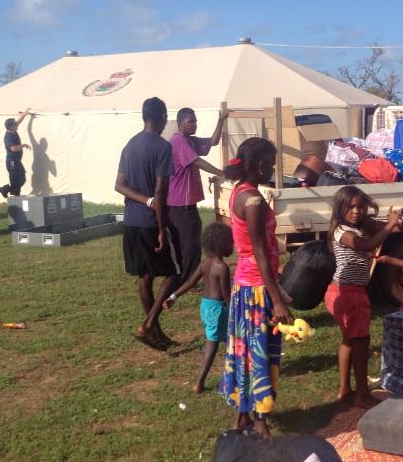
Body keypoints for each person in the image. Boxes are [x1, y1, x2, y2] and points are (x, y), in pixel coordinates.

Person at [220, 137, 293, 438]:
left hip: (244, 287)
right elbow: (259, 252)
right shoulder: (254, 201)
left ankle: (242, 416)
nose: (272, 169)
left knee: (243, 350)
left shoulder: (238, 191)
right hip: (257, 291)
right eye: (271, 164)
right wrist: (277, 299)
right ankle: (260, 419)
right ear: (259, 165)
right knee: (259, 353)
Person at [115, 97, 181, 351]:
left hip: (131, 221)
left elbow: (119, 185)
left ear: (144, 117)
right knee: (175, 273)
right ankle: (149, 323)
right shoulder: (162, 147)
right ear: (163, 118)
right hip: (152, 222)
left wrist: (144, 200)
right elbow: (161, 191)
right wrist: (162, 226)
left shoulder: (129, 145)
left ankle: (155, 332)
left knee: (145, 276)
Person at [325, 186, 399, 408]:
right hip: (349, 293)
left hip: (344, 291)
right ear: (340, 209)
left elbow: (380, 231)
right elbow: (365, 245)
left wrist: (397, 222)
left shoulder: (358, 227)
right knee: (361, 343)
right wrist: (391, 225)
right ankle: (362, 394)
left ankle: (344, 389)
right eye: (351, 207)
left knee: (349, 340)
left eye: (360, 206)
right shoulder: (342, 232)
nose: (356, 211)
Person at [164, 222, 233, 393]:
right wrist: (236, 311)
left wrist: (173, 296)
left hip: (205, 307)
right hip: (219, 309)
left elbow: (190, 282)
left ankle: (233, 373)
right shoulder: (222, 267)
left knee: (226, 339)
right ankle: (200, 382)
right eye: (230, 242)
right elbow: (227, 295)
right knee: (215, 342)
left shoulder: (205, 263)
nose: (233, 246)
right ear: (222, 245)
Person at [168, 107, 229, 286]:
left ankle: (188, 279)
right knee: (189, 244)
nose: (194, 124)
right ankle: (186, 281)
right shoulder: (178, 141)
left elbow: (213, 141)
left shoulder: (189, 140)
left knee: (193, 242)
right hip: (180, 203)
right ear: (180, 123)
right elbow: (197, 161)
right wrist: (222, 173)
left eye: (195, 121)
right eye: (190, 121)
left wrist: (221, 120)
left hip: (188, 203)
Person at [0, 109, 32, 198]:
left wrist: (25, 113)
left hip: (17, 161)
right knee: (16, 181)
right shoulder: (9, 136)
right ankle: (10, 194)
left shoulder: (13, 131)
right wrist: (23, 145)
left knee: (22, 179)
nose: (17, 124)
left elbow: (18, 121)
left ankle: (6, 190)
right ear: (11, 126)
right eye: (14, 123)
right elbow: (13, 148)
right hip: (12, 161)